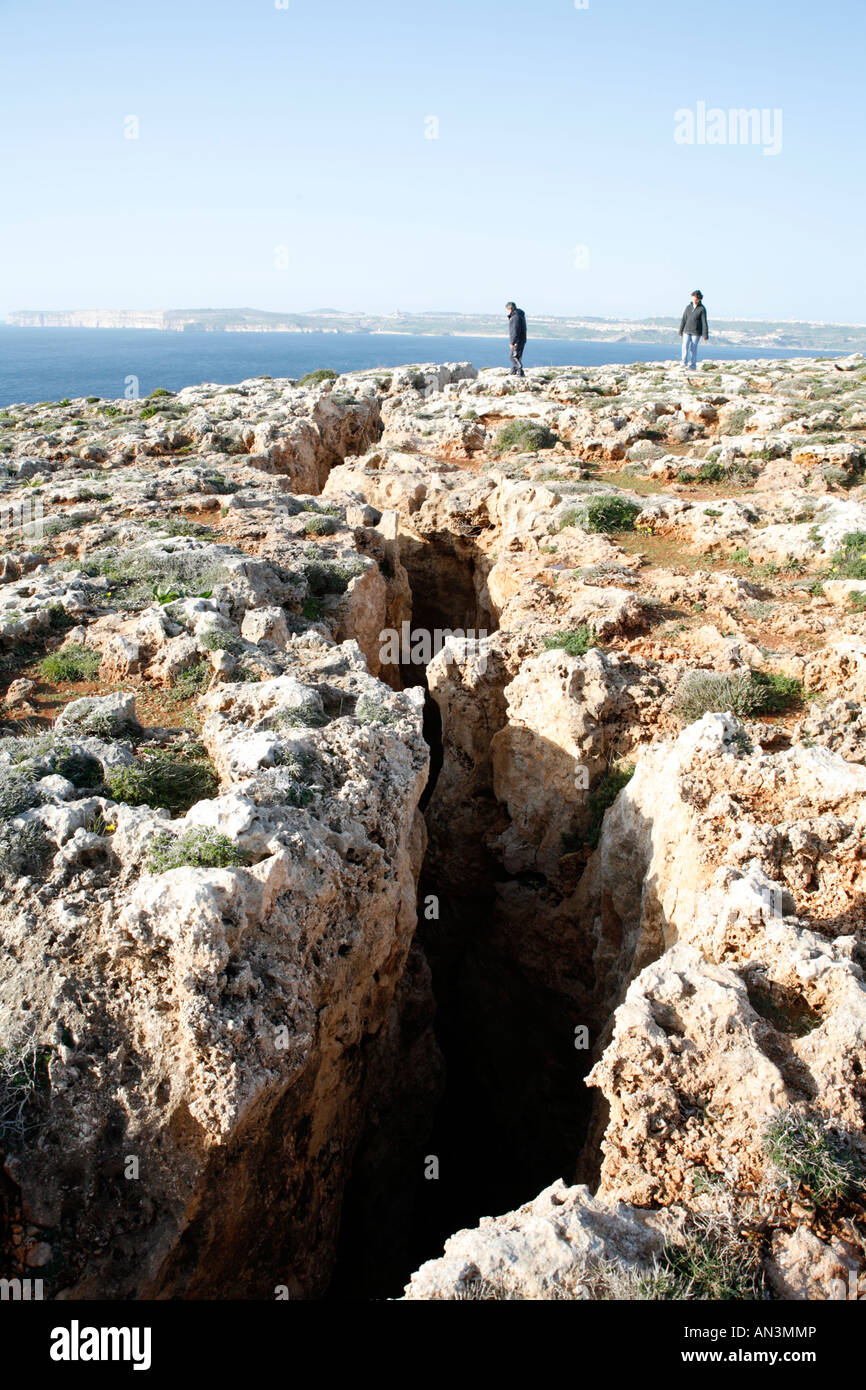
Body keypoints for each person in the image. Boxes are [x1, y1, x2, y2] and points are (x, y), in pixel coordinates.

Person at [679, 290, 708, 371]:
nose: (694, 300)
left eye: (695, 298)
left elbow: (704, 322)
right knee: (684, 346)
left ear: (699, 299)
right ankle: (683, 362)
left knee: (693, 348)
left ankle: (693, 365)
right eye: (693, 298)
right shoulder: (688, 307)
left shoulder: (702, 309)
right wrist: (680, 330)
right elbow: (684, 319)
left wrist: (705, 334)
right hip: (686, 330)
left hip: (696, 332)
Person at [506, 301, 527, 376]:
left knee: (512, 357)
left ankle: (520, 370)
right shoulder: (520, 315)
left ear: (510, 309)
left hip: (517, 340)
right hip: (522, 339)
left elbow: (514, 330)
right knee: (517, 356)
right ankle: (513, 371)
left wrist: (512, 342)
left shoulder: (515, 317)